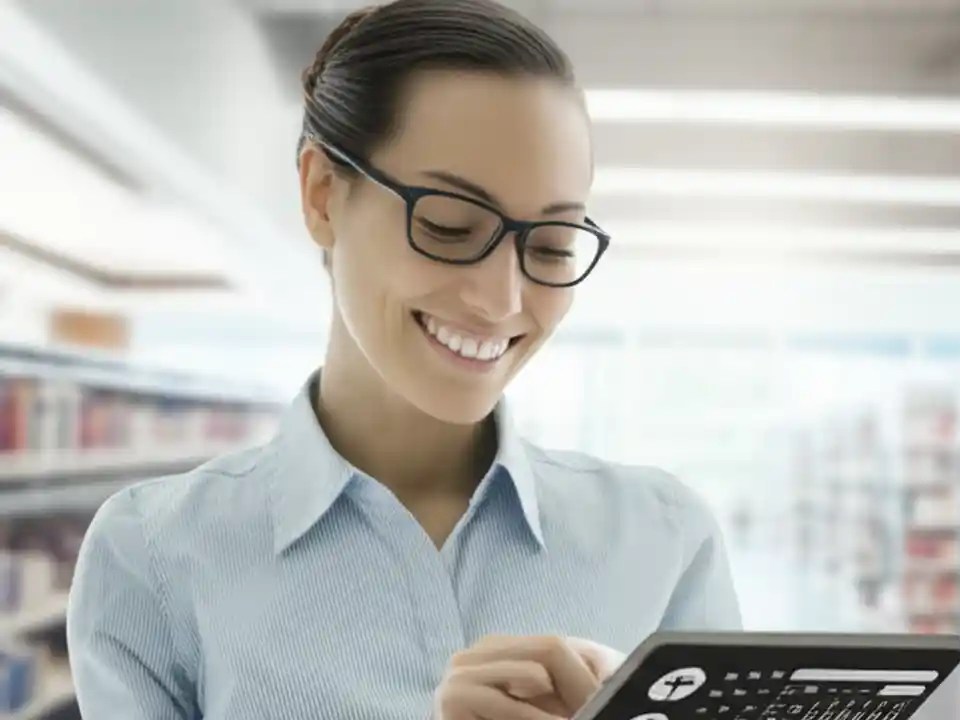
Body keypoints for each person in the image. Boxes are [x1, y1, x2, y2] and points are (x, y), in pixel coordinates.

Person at [64, 1, 742, 717]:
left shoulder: (666, 540)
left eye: (550, 246)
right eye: (450, 225)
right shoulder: (152, 557)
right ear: (322, 195)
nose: (502, 299)